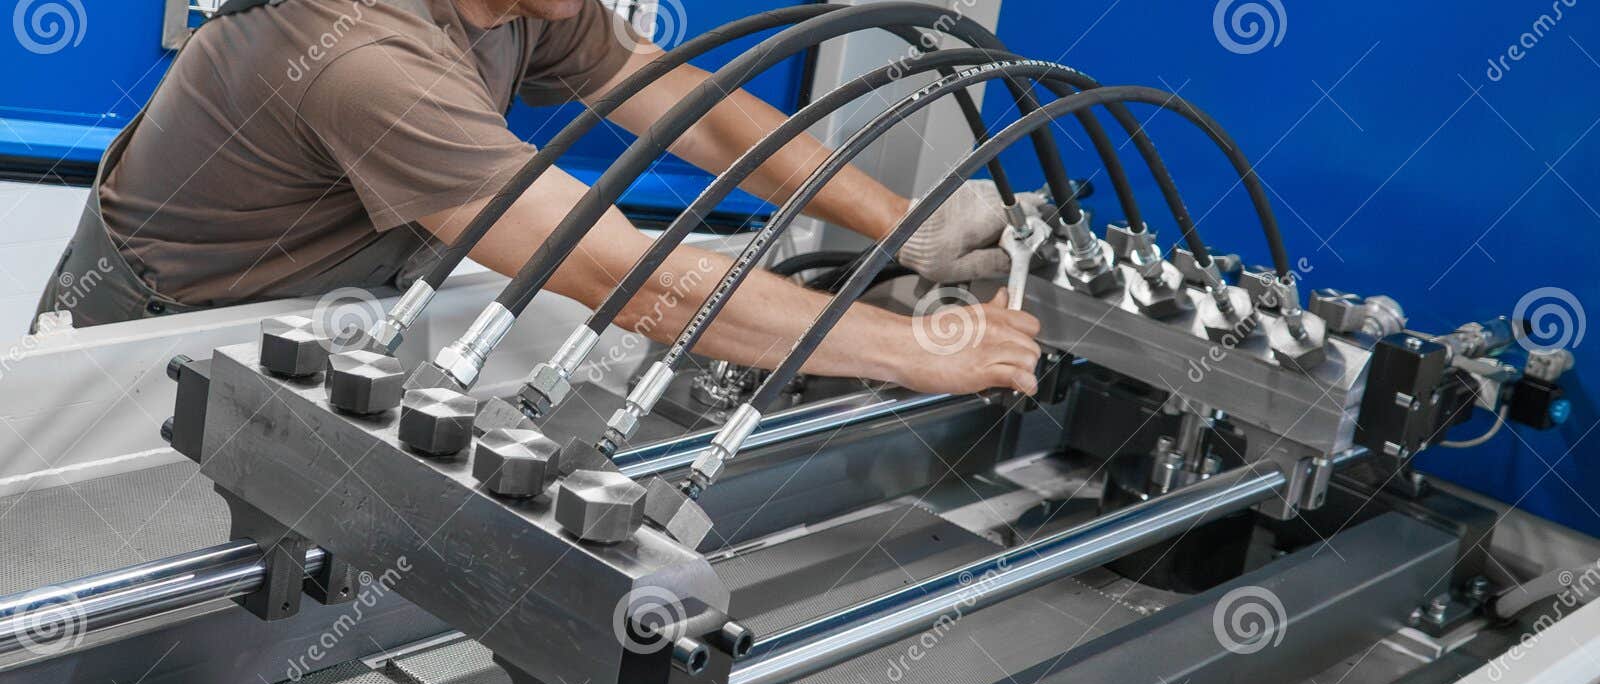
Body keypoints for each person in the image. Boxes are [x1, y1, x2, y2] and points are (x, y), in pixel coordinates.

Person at [36, 0, 1043, 397]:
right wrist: (917, 352)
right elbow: (614, 270)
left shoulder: (523, 1)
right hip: (138, 350)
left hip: (315, 311)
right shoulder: (363, 52)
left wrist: (907, 224)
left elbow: (682, 106)